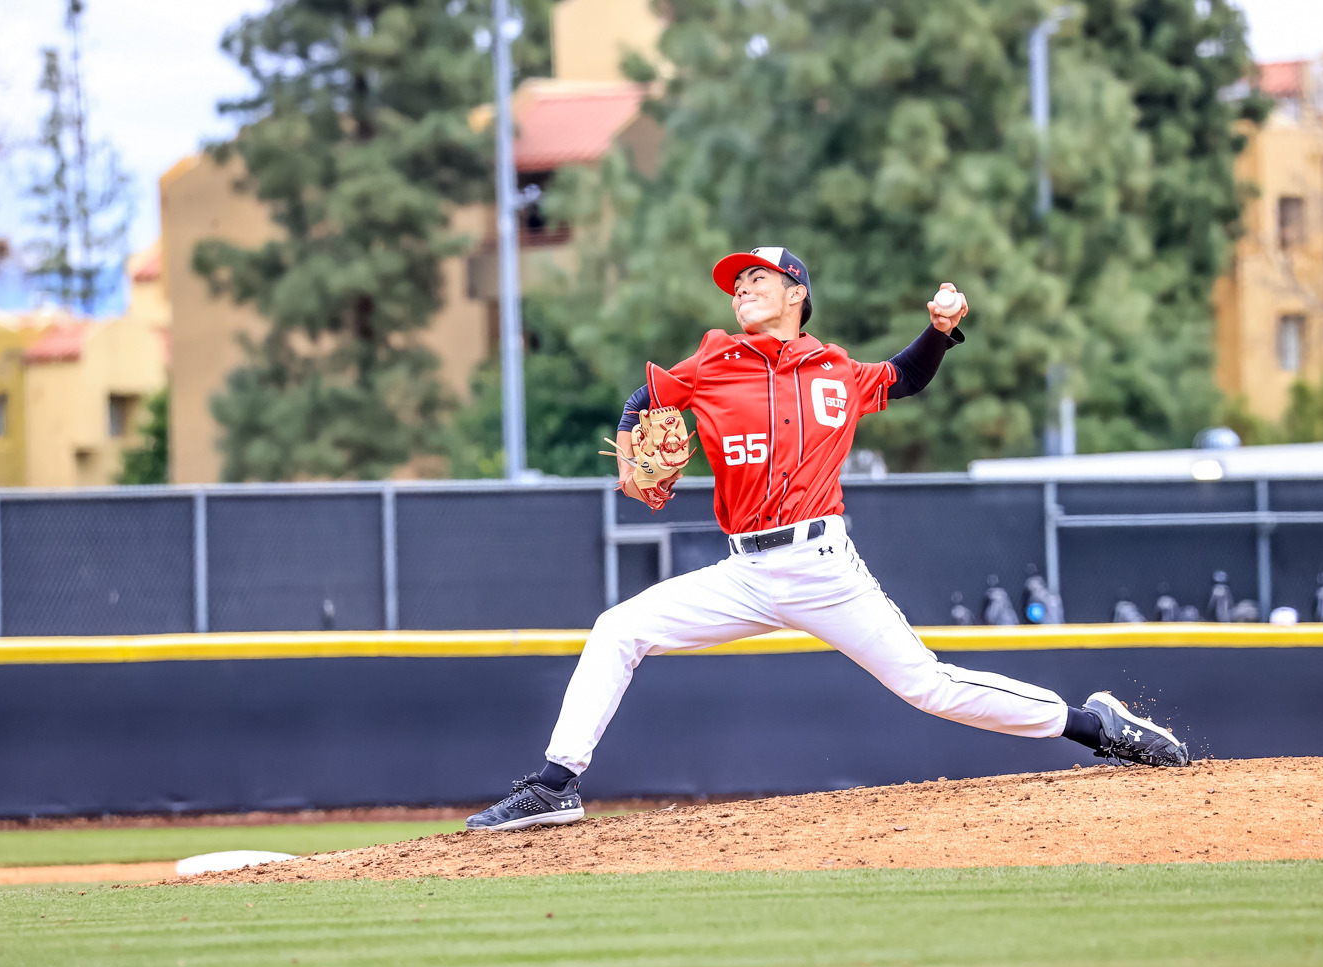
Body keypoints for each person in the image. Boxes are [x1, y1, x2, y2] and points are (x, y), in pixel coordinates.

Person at [467, 247, 1190, 832]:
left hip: (822, 567)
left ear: (796, 295)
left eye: (758, 278)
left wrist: (939, 332)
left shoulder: (835, 372)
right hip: (742, 572)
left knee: (929, 686)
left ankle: (1096, 728)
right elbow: (644, 397)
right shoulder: (715, 361)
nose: (742, 288)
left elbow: (904, 378)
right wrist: (631, 440)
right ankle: (556, 785)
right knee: (617, 628)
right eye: (737, 282)